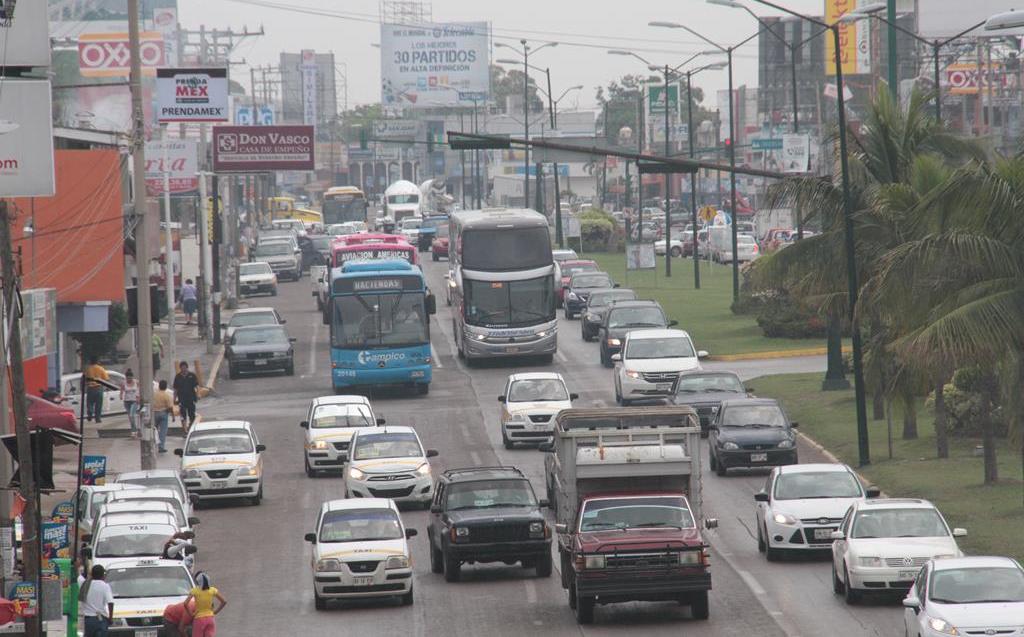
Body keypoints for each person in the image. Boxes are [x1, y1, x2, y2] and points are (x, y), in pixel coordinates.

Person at [183, 572, 226, 637]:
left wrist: (191, 614)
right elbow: (224, 601)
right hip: (210, 618)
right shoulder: (212, 590)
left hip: (199, 619)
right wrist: (215, 612)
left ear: (198, 581)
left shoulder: (195, 591)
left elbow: (185, 603)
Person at [79, 564, 114, 637]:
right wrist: (110, 618)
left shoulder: (84, 584)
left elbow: (78, 576)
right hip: (100, 620)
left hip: (87, 620)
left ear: (92, 574)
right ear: (102, 575)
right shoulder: (105, 586)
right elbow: (110, 603)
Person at [173, 362, 201, 432]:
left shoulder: (192, 375)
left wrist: (198, 394)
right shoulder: (178, 377)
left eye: (185, 367)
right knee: (183, 415)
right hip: (181, 399)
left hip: (191, 398)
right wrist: (174, 398)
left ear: (187, 367)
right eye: (182, 368)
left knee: (192, 415)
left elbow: (197, 386)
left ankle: (191, 428)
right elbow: (175, 389)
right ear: (180, 368)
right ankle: (185, 430)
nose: (183, 369)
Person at [84, 356, 109, 423]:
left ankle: (90, 412)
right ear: (97, 361)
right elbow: (106, 379)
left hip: (90, 388)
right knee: (98, 404)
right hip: (98, 388)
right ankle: (97, 418)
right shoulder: (101, 369)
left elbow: (85, 378)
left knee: (90, 402)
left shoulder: (88, 369)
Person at [153, 380, 175, 453]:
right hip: (163, 413)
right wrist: (173, 416)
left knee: (154, 430)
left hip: (154, 413)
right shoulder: (166, 395)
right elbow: (170, 407)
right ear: (165, 387)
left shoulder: (154, 394)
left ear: (159, 386)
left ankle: (152, 444)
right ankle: (161, 447)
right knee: (163, 431)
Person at [119, 368, 140, 436]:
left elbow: (139, 390)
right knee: (130, 417)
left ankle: (134, 430)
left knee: (131, 415)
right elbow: (121, 390)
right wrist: (121, 395)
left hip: (134, 401)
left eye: (130, 378)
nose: (129, 380)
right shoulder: (123, 383)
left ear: (132, 377)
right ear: (126, 378)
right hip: (127, 401)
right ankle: (133, 431)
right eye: (128, 378)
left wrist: (138, 397)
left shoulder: (136, 382)